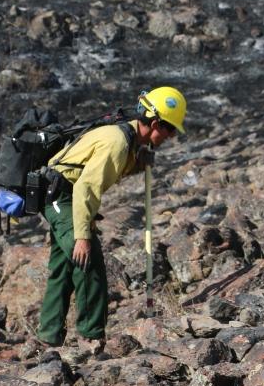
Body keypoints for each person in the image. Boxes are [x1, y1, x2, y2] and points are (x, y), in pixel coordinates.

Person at [35, 86, 186, 355]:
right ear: (154, 124)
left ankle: (49, 337)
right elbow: (85, 188)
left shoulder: (128, 138)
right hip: (62, 197)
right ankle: (91, 339)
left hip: (63, 196)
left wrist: (141, 163)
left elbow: (109, 169)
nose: (171, 137)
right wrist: (82, 236)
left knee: (63, 266)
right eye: (170, 130)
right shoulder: (117, 142)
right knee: (87, 261)